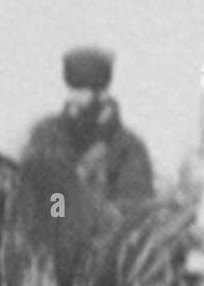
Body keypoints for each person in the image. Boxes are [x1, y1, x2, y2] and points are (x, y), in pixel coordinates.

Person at [24, 46, 156, 224]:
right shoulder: (47, 135)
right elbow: (34, 190)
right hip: (52, 238)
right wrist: (61, 213)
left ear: (102, 94)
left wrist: (91, 211)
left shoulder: (128, 147)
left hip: (102, 243)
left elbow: (135, 205)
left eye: (82, 90)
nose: (74, 99)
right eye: (72, 89)